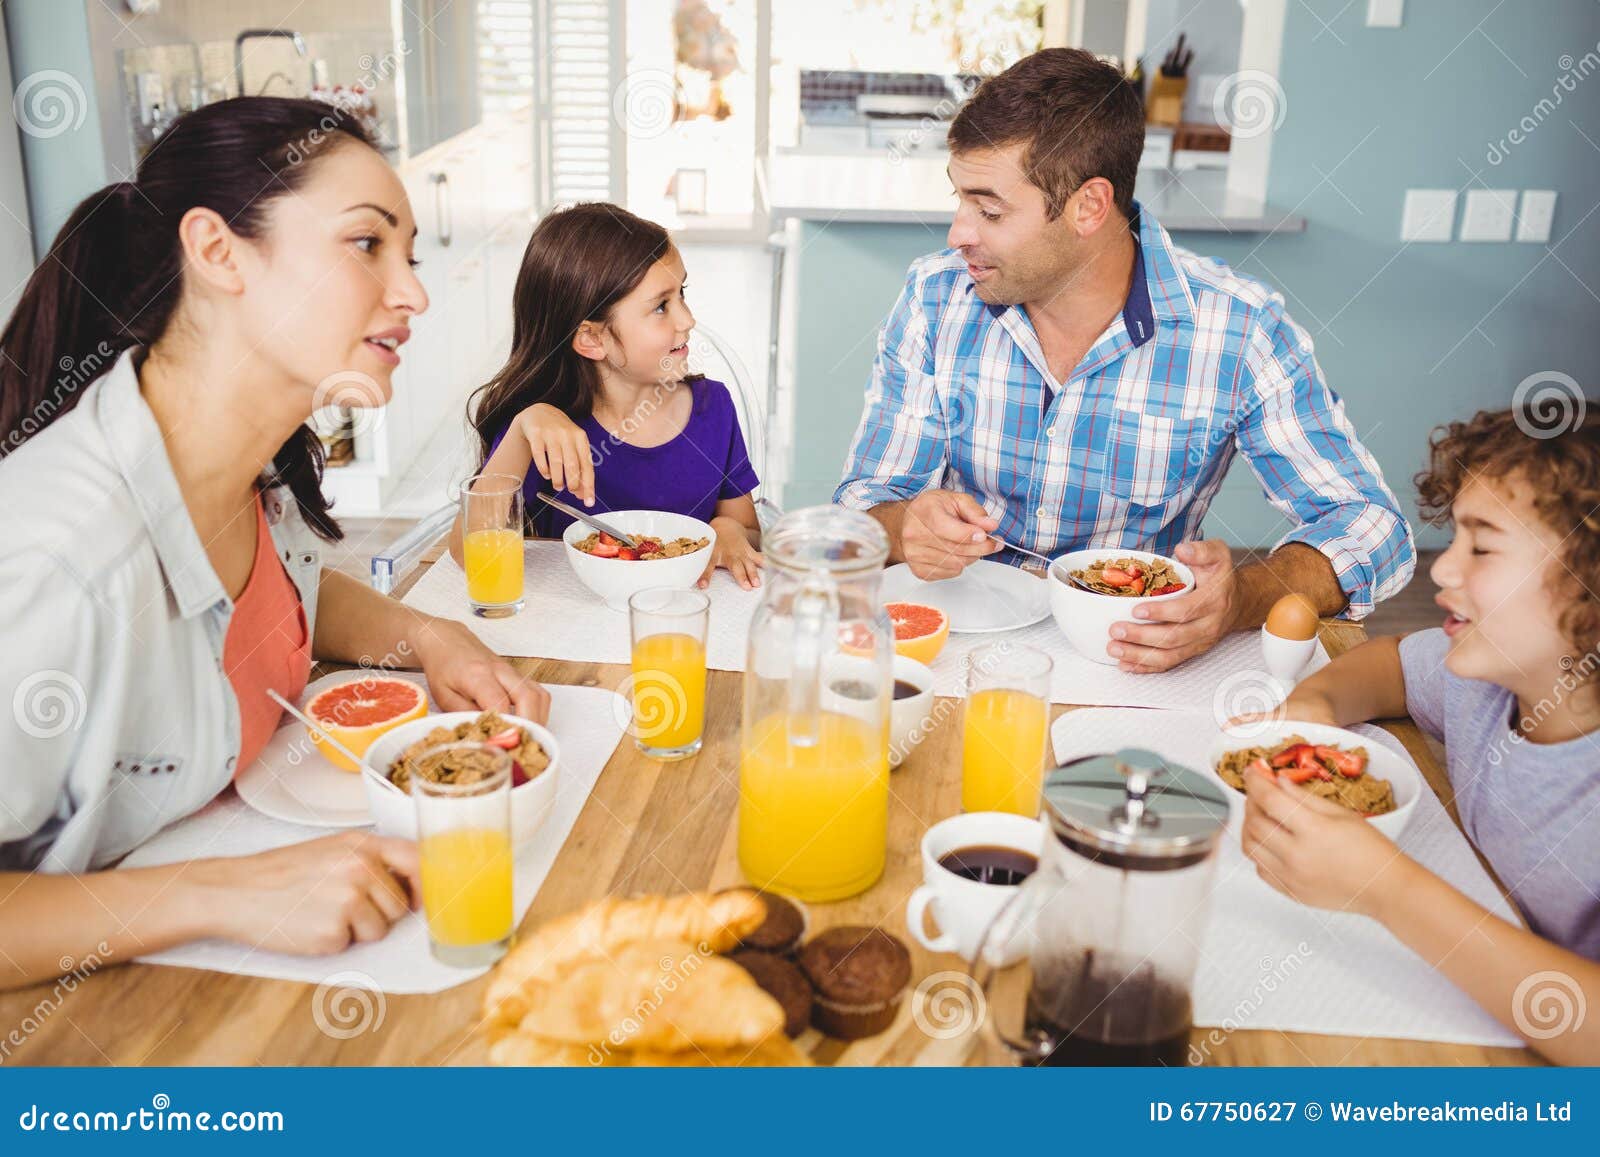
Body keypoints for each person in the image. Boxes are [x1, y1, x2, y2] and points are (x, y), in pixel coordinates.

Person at [0, 97, 549, 991]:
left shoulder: (253, 469)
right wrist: (224, 893)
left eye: (406, 253)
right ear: (218, 252)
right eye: (367, 243)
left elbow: (288, 591)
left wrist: (433, 637)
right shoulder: (56, 562)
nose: (411, 291)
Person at [835, 48, 1414, 671]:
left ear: (1089, 206)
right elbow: (866, 500)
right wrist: (901, 528)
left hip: (1131, 657)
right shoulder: (935, 299)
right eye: (961, 200)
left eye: (990, 209)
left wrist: (1243, 596)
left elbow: (1371, 526)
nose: (957, 233)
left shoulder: (1236, 328)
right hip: (958, 646)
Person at [1235, 407, 1599, 1065]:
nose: (1442, 570)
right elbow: (1391, 664)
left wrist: (1382, 886)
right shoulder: (1487, 676)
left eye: (1482, 546)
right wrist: (1313, 707)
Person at [454, 202, 763, 589]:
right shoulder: (542, 432)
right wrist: (521, 430)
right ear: (591, 338)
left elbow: (749, 531)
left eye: (681, 293)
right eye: (662, 306)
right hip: (567, 631)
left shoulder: (712, 408)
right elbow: (471, 556)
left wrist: (729, 530)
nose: (687, 320)